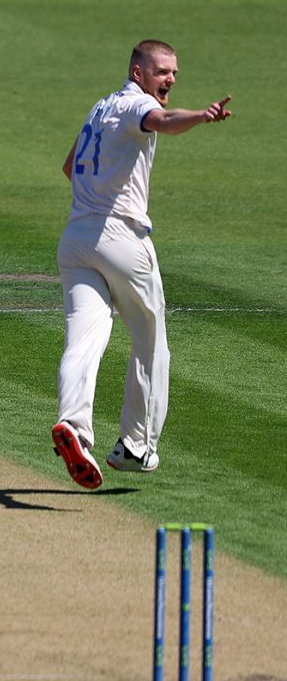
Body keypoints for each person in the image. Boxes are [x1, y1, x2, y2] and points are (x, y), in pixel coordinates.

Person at [52, 40, 231, 490]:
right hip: (121, 237)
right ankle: (137, 445)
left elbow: (72, 167)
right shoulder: (138, 106)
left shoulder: (100, 107)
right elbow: (164, 121)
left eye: (174, 73)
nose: (170, 79)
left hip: (75, 240)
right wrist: (201, 117)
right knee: (150, 340)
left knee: (85, 337)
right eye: (162, 71)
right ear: (138, 72)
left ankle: (73, 426)